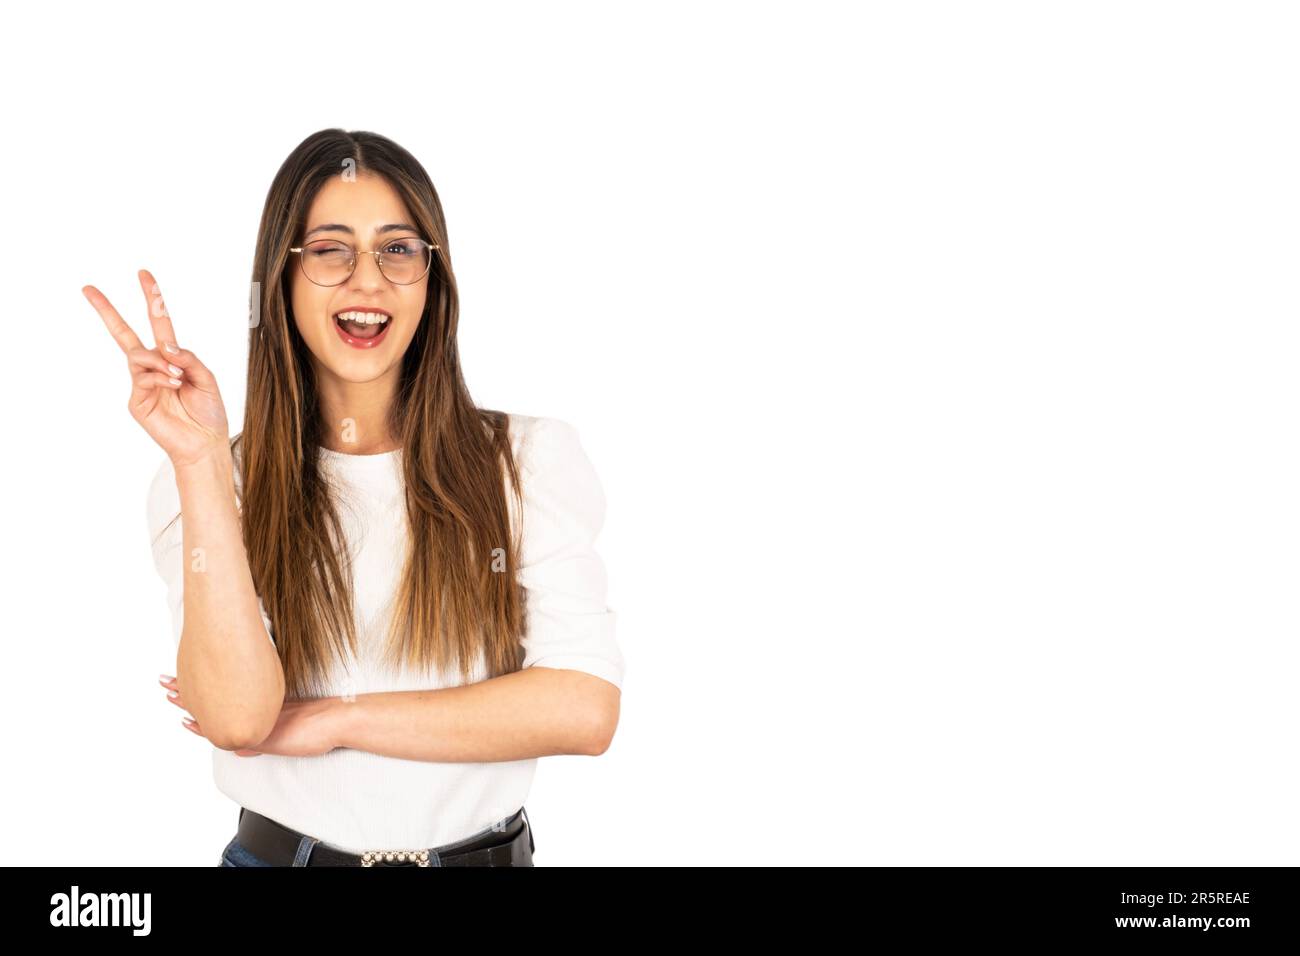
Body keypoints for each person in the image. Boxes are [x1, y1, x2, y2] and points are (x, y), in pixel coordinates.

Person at [82, 128, 624, 867]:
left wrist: (340, 720)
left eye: (398, 249)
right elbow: (238, 715)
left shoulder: (525, 460)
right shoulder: (211, 483)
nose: (367, 281)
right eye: (331, 249)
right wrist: (203, 461)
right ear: (282, 278)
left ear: (432, 281)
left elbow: (583, 709)